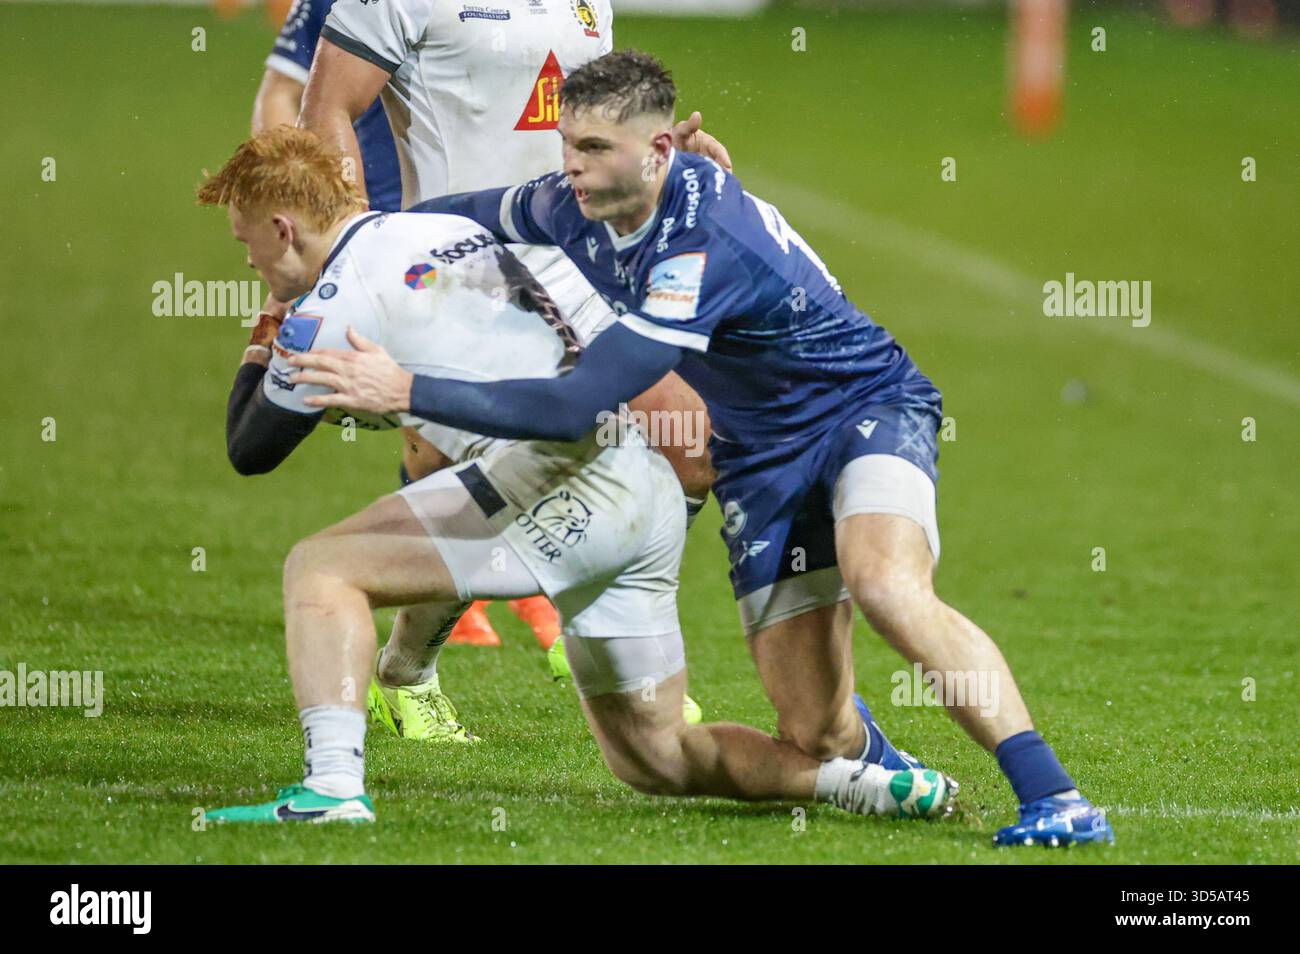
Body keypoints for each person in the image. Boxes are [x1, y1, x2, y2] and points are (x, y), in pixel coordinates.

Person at [288, 51, 1115, 847]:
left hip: (862, 406)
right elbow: (468, 215)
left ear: (656, 151)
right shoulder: (574, 203)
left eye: (593, 149)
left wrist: (406, 391)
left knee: (886, 583)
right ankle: (886, 775)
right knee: (814, 727)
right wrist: (352, 246)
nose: (569, 166)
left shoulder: (697, 245)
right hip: (759, 456)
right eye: (568, 144)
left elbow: (577, 403)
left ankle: (1055, 796)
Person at [197, 127, 957, 824]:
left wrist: (265, 337)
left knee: (321, 569)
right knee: (656, 758)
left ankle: (330, 788)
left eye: (245, 243)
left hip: (562, 489)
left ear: (283, 230)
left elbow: (250, 447)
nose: (248, 261)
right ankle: (855, 782)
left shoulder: (326, 309)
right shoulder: (444, 227)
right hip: (644, 483)